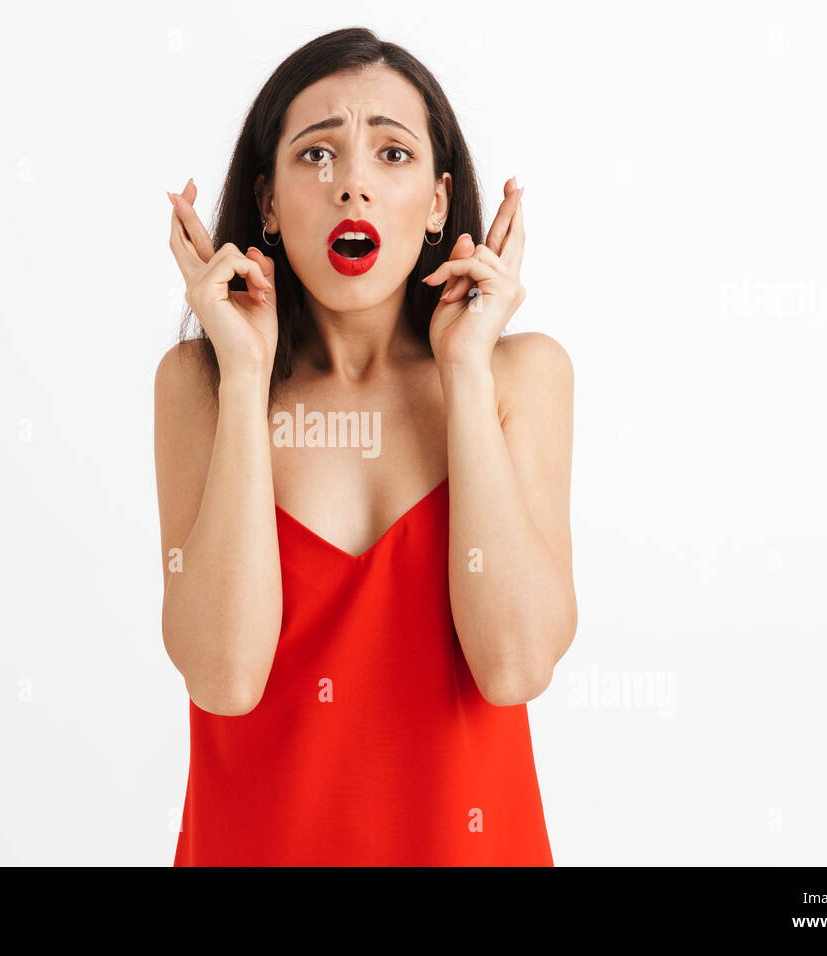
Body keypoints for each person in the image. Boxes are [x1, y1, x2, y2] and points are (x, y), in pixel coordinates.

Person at [155, 27, 576, 865]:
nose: (352, 184)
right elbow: (226, 679)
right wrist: (244, 378)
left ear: (435, 201)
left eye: (391, 154)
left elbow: (515, 665)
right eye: (316, 155)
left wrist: (464, 369)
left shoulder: (521, 375)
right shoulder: (199, 384)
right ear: (268, 203)